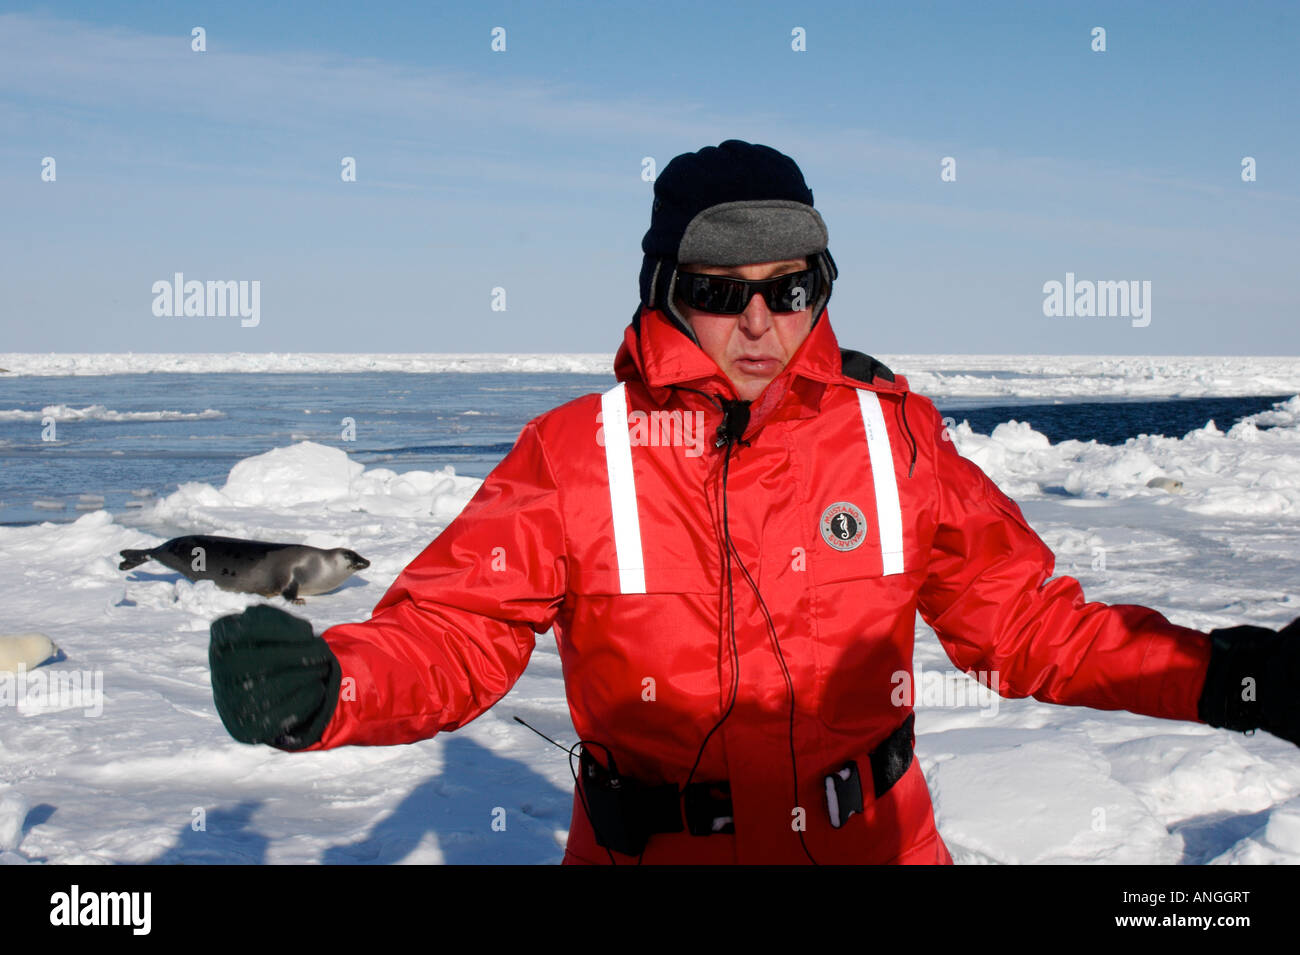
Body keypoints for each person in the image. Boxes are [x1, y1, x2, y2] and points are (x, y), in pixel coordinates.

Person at [209, 140, 1300, 865]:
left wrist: (1228, 677)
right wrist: (336, 685)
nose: (758, 324)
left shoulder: (891, 436)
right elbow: (457, 629)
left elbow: (1026, 627)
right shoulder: (578, 455)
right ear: (660, 290)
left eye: (790, 290)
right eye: (716, 294)